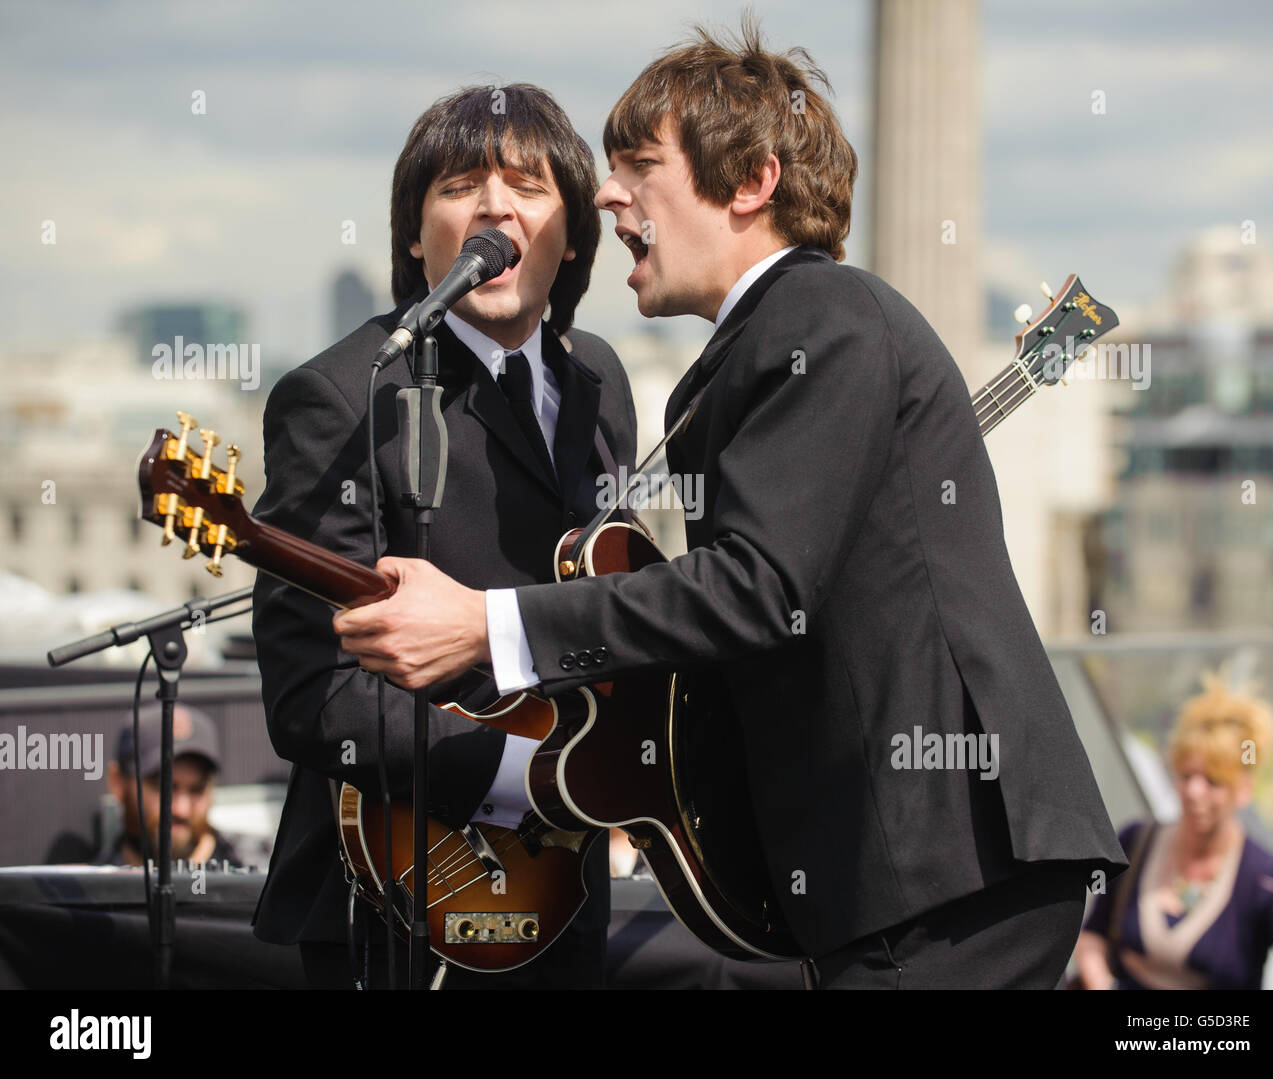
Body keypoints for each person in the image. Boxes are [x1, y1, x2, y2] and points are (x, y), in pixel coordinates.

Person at [332, 21, 1126, 989]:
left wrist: (482, 623)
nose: (609, 193)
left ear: (750, 182)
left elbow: (755, 587)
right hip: (913, 876)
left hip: (941, 866)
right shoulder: (761, 348)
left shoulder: (819, 319)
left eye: (637, 165)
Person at [250, 83, 636, 989]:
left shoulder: (602, 382)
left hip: (562, 893)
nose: (495, 207)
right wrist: (524, 779)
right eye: (461, 185)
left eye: (529, 187)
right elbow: (312, 691)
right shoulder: (342, 394)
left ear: (571, 235)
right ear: (416, 238)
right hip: (392, 893)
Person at [1074, 674, 1273, 990]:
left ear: (1243, 790)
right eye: (1186, 774)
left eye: (1212, 781)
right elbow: (1093, 935)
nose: (1194, 791)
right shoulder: (1135, 840)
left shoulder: (1264, 878)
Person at [47, 704, 243, 868]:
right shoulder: (88, 892)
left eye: (197, 790)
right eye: (163, 788)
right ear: (117, 782)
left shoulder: (258, 882)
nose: (181, 809)